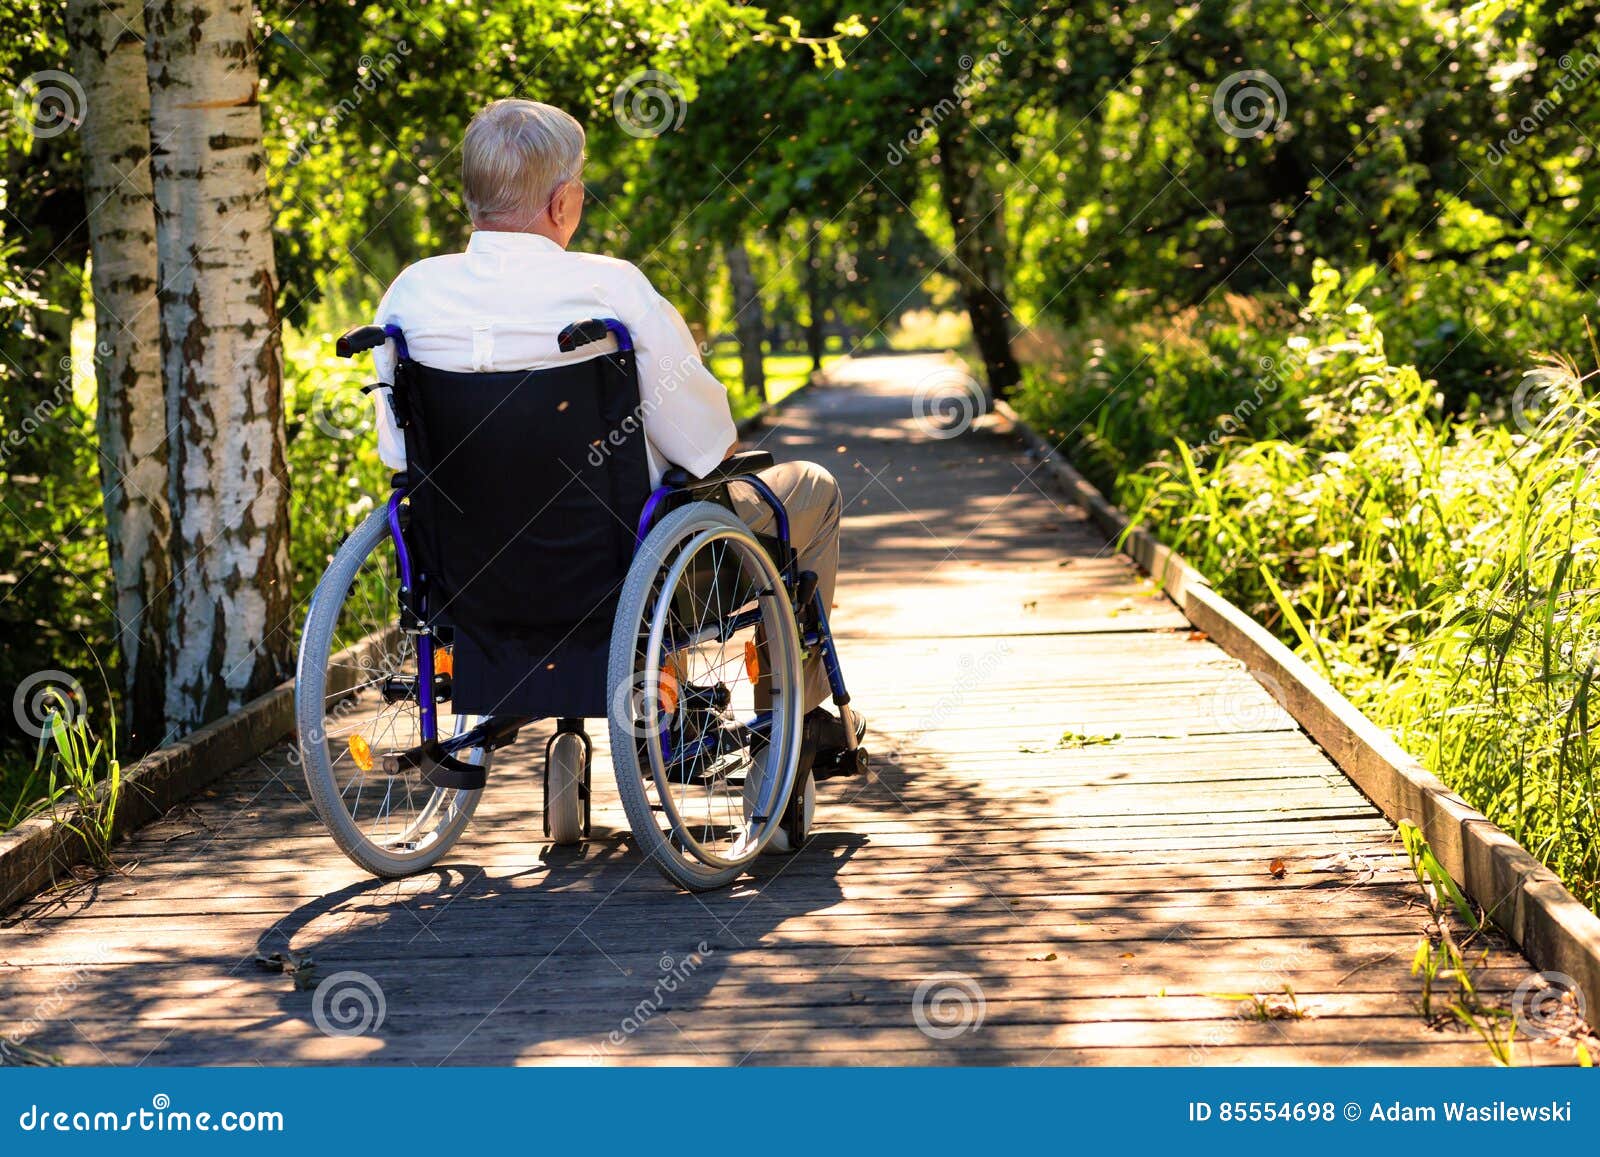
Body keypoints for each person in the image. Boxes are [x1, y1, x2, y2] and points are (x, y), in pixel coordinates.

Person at [369, 98, 862, 770]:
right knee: (808, 489)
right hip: (628, 565)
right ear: (564, 201)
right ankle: (792, 716)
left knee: (661, 506)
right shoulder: (609, 289)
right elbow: (706, 446)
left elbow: (401, 455)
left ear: (471, 196)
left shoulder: (410, 296)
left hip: (473, 571)